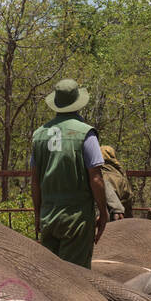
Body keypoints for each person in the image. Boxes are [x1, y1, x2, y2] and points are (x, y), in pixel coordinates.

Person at [30, 78, 107, 268]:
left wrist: (38, 213)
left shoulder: (39, 134)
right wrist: (103, 212)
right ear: (78, 103)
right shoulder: (85, 133)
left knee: (51, 274)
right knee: (76, 277)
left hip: (49, 217)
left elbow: (35, 180)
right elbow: (96, 177)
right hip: (76, 219)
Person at [98, 145, 134, 220]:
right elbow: (129, 199)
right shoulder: (121, 175)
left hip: (103, 216)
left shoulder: (96, 175)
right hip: (122, 217)